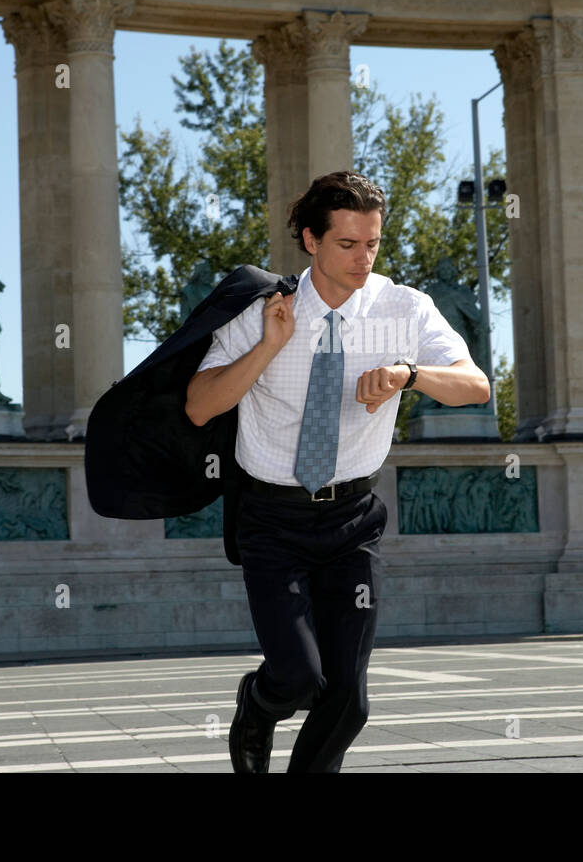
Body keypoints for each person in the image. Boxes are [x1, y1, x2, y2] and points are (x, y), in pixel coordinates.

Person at [185, 170, 490, 772]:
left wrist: (409, 373)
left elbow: (477, 386)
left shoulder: (404, 309)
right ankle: (258, 701)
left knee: (349, 701)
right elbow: (200, 405)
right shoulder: (259, 309)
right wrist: (269, 346)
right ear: (310, 240)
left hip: (353, 521)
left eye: (372, 243)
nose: (362, 258)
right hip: (271, 518)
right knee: (298, 679)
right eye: (347, 244)